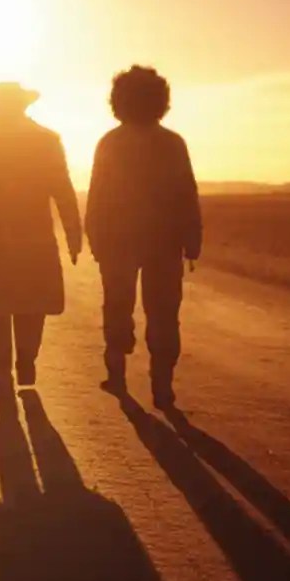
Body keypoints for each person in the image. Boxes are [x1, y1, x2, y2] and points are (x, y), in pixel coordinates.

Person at [0, 82, 81, 402]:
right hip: (34, 233)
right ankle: (25, 361)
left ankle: (1, 369)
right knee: (31, 302)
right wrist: (73, 231)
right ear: (23, 106)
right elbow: (62, 188)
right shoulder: (45, 140)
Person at [85, 66, 202, 408]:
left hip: (118, 242)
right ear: (160, 101)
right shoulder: (172, 143)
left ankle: (118, 376)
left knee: (118, 308)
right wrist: (192, 240)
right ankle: (162, 388)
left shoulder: (110, 142)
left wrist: (95, 237)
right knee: (164, 313)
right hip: (163, 243)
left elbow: (97, 195)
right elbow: (187, 195)